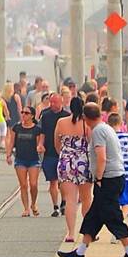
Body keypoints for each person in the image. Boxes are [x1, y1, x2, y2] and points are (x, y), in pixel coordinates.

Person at [58, 102, 128, 257]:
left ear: (85, 118)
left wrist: (99, 178)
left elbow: (101, 157)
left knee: (113, 216)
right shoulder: (105, 127)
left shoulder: (98, 131)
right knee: (94, 217)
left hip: (109, 178)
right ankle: (79, 253)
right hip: (113, 176)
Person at [54, 95, 93, 246]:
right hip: (83, 161)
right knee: (86, 198)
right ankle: (88, 231)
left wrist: (64, 154)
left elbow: (56, 143)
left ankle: (70, 233)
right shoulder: (86, 124)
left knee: (70, 199)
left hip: (66, 161)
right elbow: (91, 142)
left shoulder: (61, 122)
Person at [37, 92, 67, 218]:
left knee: (63, 182)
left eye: (55, 102)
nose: (52, 104)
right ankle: (55, 206)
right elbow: (42, 132)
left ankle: (64, 202)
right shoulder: (45, 115)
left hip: (63, 153)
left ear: (61, 102)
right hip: (49, 152)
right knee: (53, 181)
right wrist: (40, 144)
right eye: (51, 102)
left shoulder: (67, 116)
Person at [9, 105, 41, 217]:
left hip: (33, 159)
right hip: (20, 159)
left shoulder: (37, 129)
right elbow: (11, 142)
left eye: (26, 113)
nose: (23, 115)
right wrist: (8, 154)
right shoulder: (16, 128)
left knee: (33, 184)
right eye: (22, 112)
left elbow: (39, 144)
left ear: (32, 116)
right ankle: (26, 208)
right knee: (23, 185)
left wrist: (40, 148)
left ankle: (33, 204)